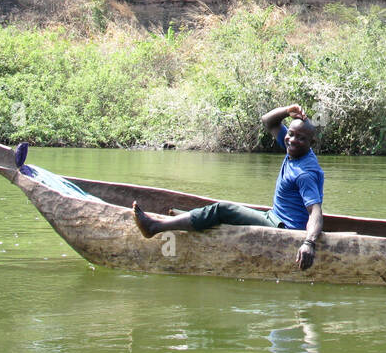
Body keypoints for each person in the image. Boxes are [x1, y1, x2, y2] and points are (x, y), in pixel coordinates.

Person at [133, 104, 324, 270]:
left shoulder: (304, 172)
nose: (292, 140)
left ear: (311, 143)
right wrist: (287, 110)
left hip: (285, 229)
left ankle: (154, 227)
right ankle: (188, 219)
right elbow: (268, 122)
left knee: (223, 209)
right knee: (229, 213)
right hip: (274, 216)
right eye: (290, 134)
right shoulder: (294, 149)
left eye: (300, 138)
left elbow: (315, 211)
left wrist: (308, 243)